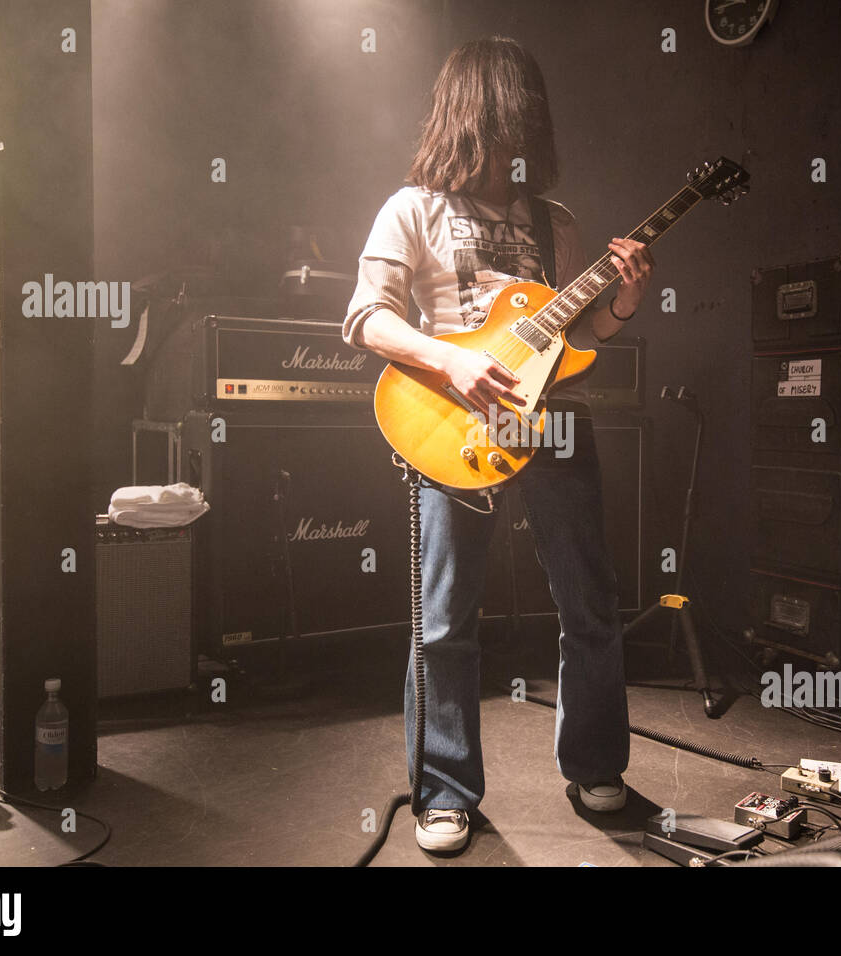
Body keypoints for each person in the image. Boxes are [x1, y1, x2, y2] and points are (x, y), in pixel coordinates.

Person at [342, 36, 654, 853]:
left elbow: (576, 340)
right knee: (445, 620)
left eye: (532, 123)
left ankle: (594, 763)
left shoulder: (556, 224)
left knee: (590, 602)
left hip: (549, 420)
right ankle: (443, 793)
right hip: (453, 424)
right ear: (473, 114)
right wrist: (451, 356)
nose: (522, 137)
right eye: (511, 118)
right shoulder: (411, 207)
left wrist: (619, 304)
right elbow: (365, 317)